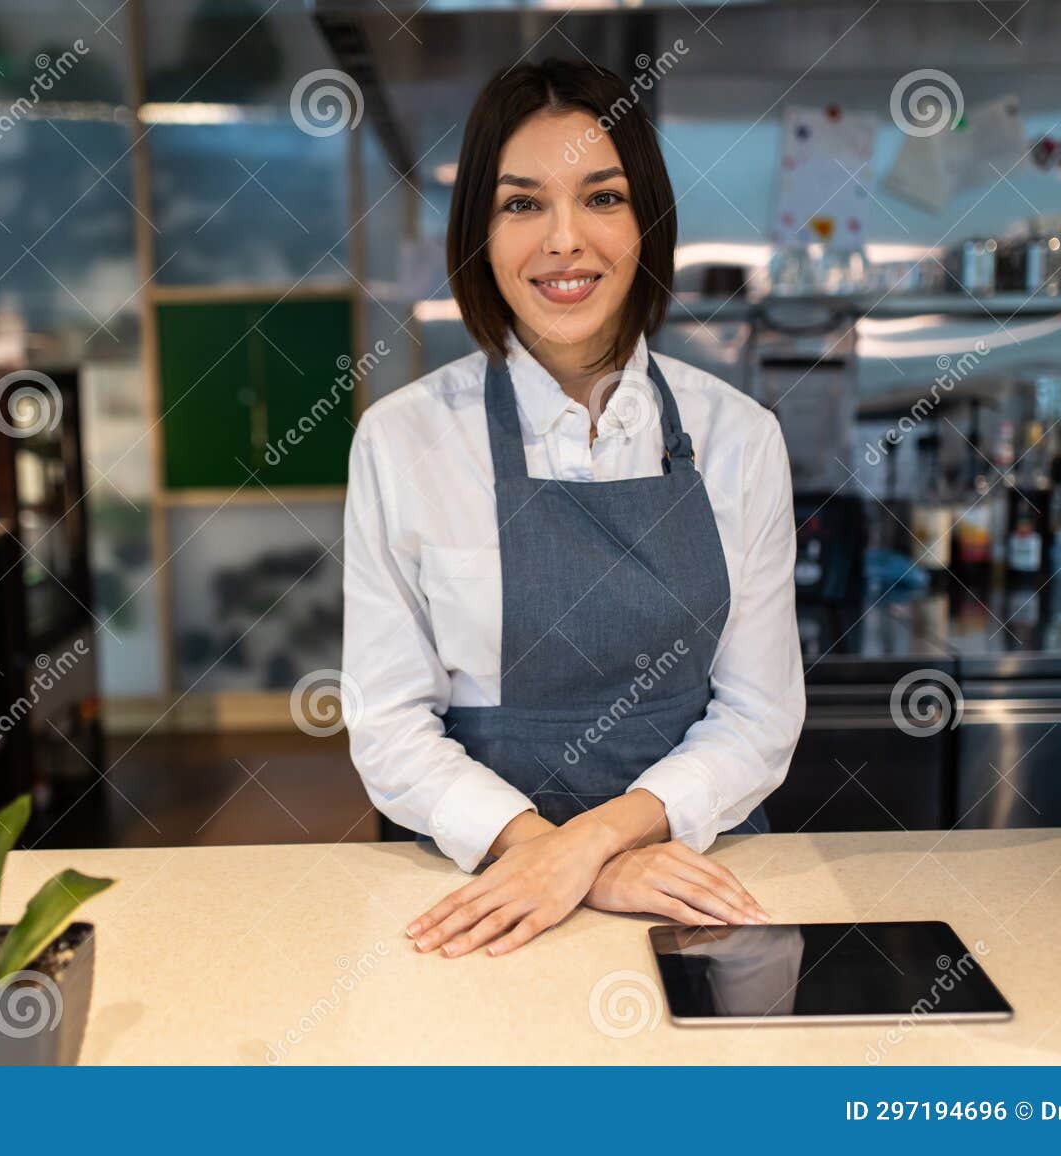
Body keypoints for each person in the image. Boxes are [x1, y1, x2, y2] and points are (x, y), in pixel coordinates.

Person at [341, 59, 804, 958]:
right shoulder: (400, 442)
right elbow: (389, 724)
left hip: (689, 893)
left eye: (602, 197)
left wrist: (594, 846)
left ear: (647, 223)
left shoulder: (741, 438)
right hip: (483, 896)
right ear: (480, 229)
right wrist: (542, 856)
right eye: (522, 205)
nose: (563, 240)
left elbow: (759, 714)